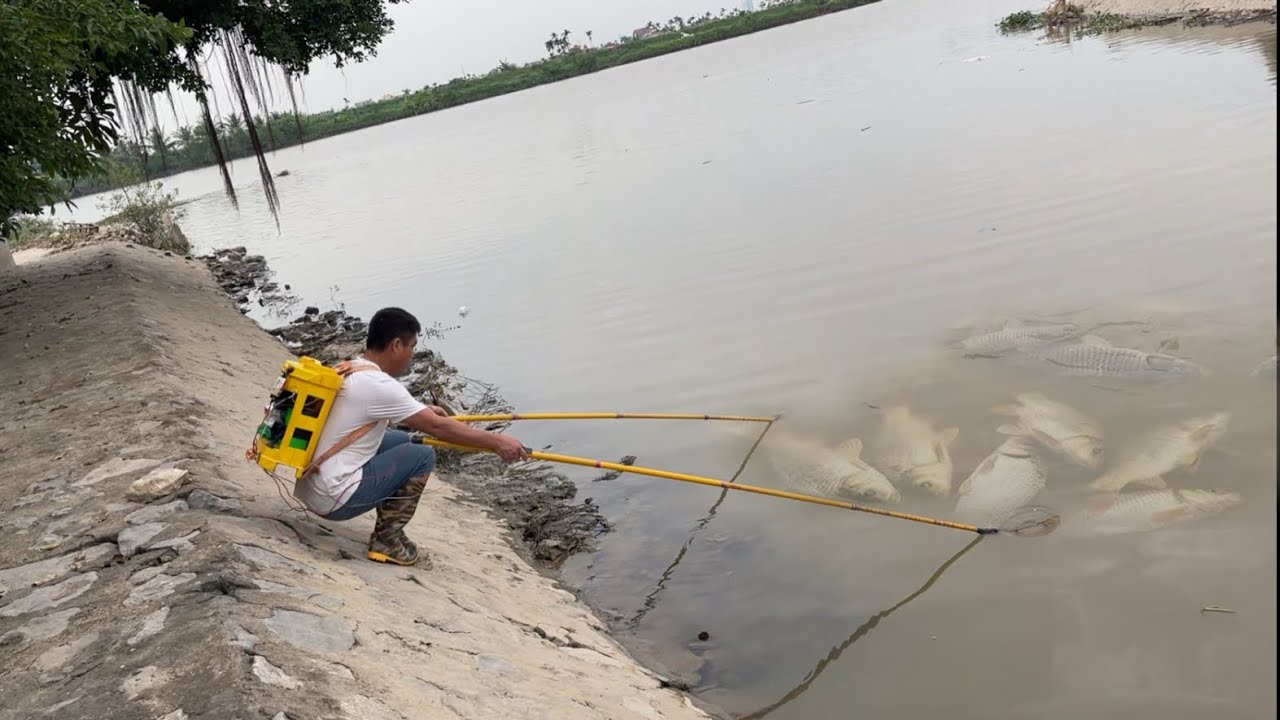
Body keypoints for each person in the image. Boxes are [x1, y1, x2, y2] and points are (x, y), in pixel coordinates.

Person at [293, 307, 528, 566]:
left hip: (310, 485)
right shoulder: (381, 386)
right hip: (332, 499)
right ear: (396, 345)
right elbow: (439, 428)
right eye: (412, 347)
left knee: (402, 441)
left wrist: (422, 410)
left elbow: (378, 409)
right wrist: (498, 442)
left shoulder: (350, 369)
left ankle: (386, 533)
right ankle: (387, 540)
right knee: (422, 455)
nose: (412, 355)